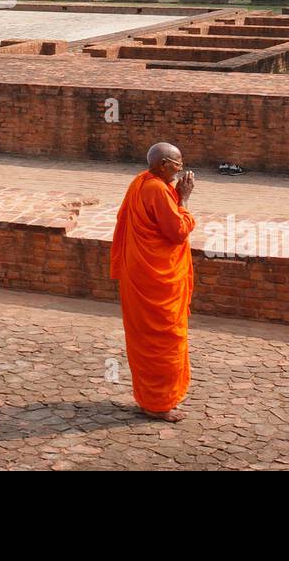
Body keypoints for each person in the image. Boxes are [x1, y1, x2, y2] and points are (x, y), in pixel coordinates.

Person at [110, 141, 197, 422]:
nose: (180, 169)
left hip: (139, 275)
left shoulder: (140, 183)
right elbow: (177, 231)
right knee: (163, 340)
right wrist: (183, 199)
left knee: (144, 340)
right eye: (177, 164)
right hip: (156, 283)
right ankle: (158, 403)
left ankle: (150, 398)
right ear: (163, 165)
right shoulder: (157, 189)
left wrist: (176, 193)